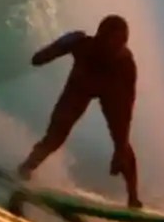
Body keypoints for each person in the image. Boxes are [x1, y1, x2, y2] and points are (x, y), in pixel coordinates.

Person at [17, 15, 142, 208]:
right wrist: (56, 48)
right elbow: (38, 59)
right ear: (100, 36)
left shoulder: (126, 63)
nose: (117, 47)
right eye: (113, 41)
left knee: (122, 144)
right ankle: (26, 169)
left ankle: (133, 198)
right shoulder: (82, 44)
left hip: (111, 92)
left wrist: (120, 147)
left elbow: (128, 105)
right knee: (55, 137)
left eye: (122, 42)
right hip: (81, 85)